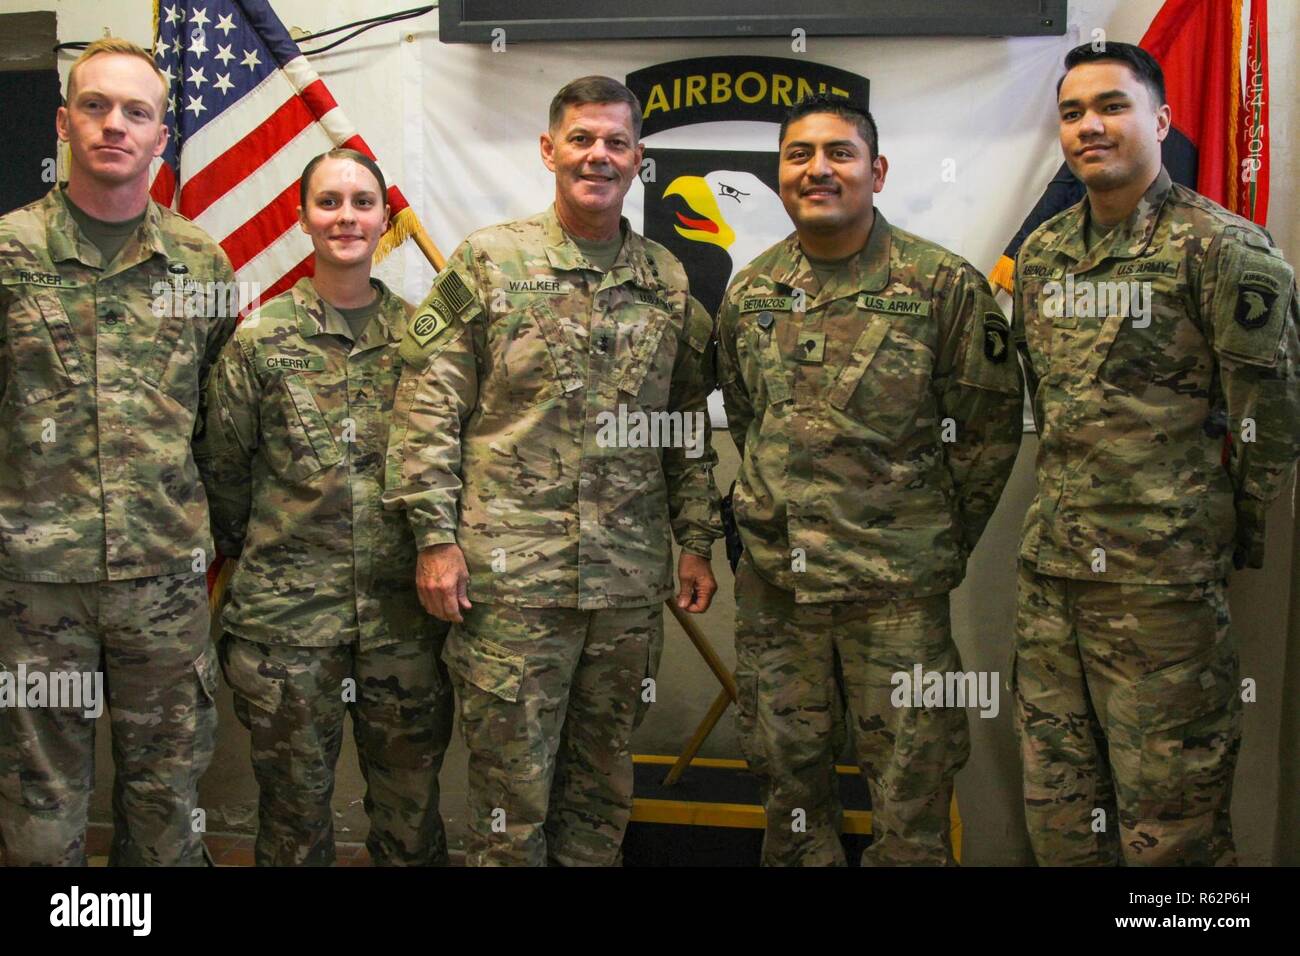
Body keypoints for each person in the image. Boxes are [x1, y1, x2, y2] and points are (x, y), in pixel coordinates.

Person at [384, 76, 722, 866]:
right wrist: (434, 539)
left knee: (601, 792)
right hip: (509, 587)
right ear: (549, 150)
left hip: (626, 587)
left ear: (639, 159)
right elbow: (428, 407)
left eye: (615, 142)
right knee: (509, 798)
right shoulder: (491, 262)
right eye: (581, 139)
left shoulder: (667, 282)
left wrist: (697, 537)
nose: (597, 156)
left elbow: (685, 428)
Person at [1011, 42, 1300, 866]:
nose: (1089, 126)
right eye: (1072, 113)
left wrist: (1206, 531)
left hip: (1162, 592)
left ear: (1162, 122)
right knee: (1061, 815)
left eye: (1111, 106)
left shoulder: (1225, 250)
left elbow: (1269, 423)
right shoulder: (1043, 255)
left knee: (1172, 826)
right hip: (1052, 580)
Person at [716, 94, 1023, 866]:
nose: (818, 169)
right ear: (780, 174)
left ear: (876, 170)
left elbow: (984, 432)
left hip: (897, 603)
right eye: (798, 156)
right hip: (778, 595)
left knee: (911, 804)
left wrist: (923, 541)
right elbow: (752, 420)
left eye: (839, 153)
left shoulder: (941, 286)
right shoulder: (750, 290)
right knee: (788, 800)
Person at [0, 38, 234, 866]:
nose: (115, 125)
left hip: (162, 585)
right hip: (36, 590)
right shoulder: (9, 255)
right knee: (40, 800)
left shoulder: (203, 262)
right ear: (64, 122)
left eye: (137, 111)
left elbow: (220, 426)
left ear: (161, 135)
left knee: (167, 800)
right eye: (95, 106)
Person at [196, 149, 453, 866]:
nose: (347, 217)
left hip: (402, 622)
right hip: (286, 629)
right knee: (292, 819)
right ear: (302, 217)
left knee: (410, 818)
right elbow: (224, 470)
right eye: (330, 202)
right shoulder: (259, 340)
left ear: (383, 220)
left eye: (363, 202)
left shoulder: (421, 342)